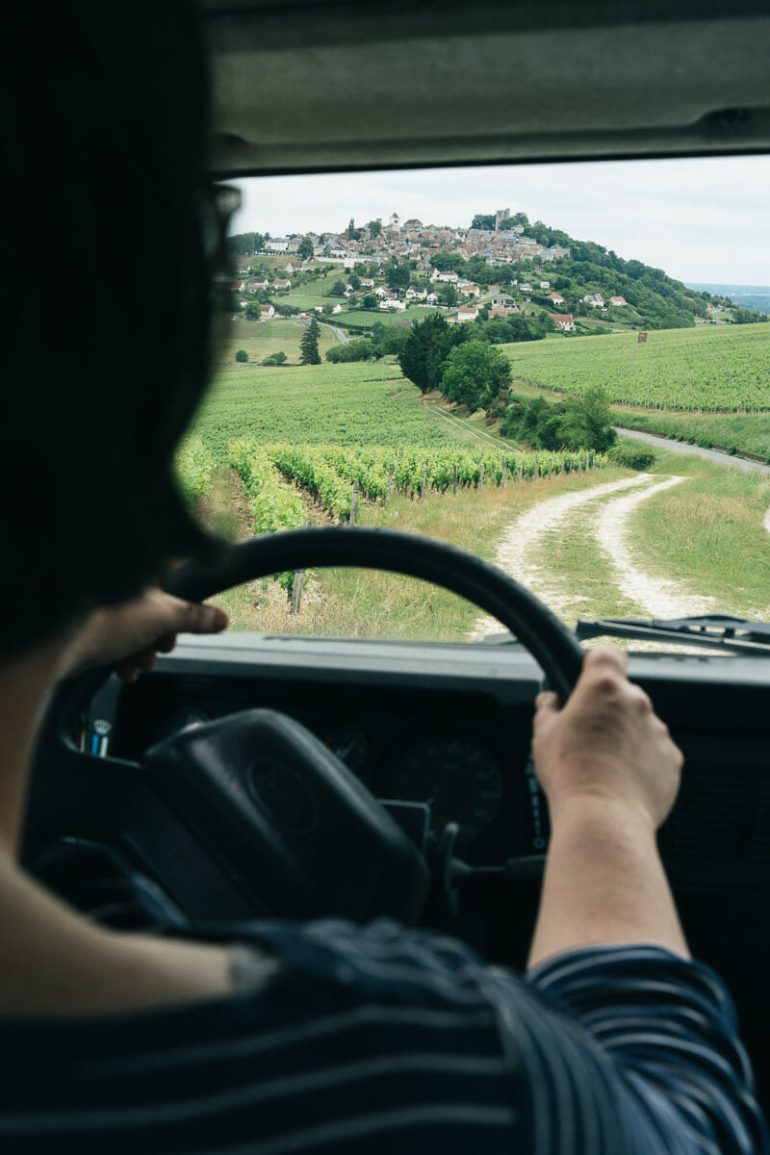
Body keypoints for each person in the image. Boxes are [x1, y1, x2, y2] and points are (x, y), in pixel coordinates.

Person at [0, 2, 766, 1152]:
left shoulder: (65, 881)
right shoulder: (416, 1080)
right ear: (137, 360)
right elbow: (678, 1116)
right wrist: (603, 812)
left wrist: (51, 627)